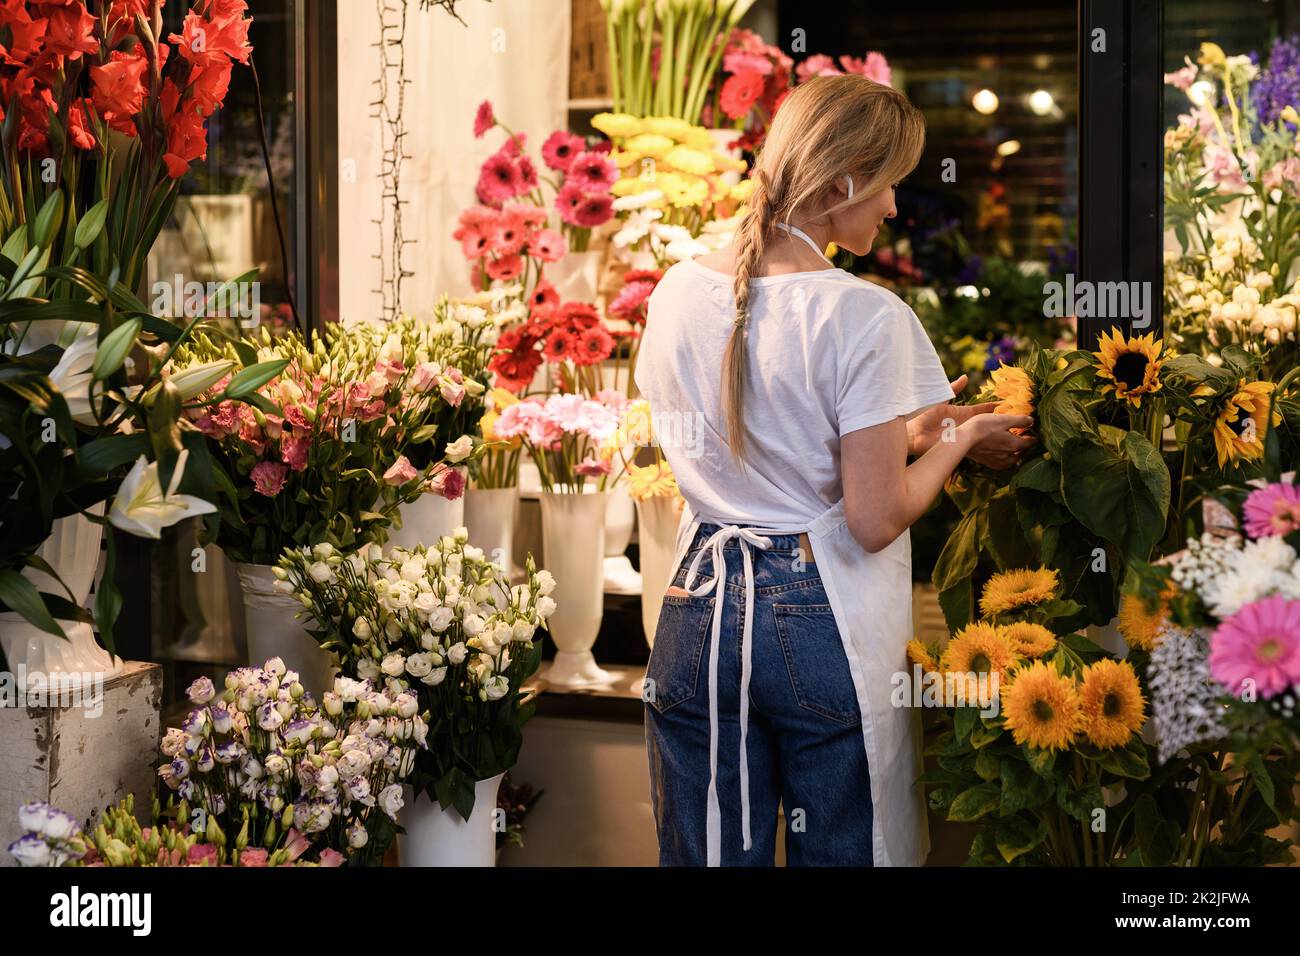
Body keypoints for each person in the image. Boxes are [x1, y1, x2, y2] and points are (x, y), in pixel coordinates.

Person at [633, 74, 1034, 867]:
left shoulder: (678, 291)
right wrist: (958, 442)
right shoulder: (861, 312)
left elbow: (762, 441)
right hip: (815, 619)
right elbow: (875, 517)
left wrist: (912, 429)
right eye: (888, 187)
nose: (893, 210)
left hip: (694, 610)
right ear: (845, 180)